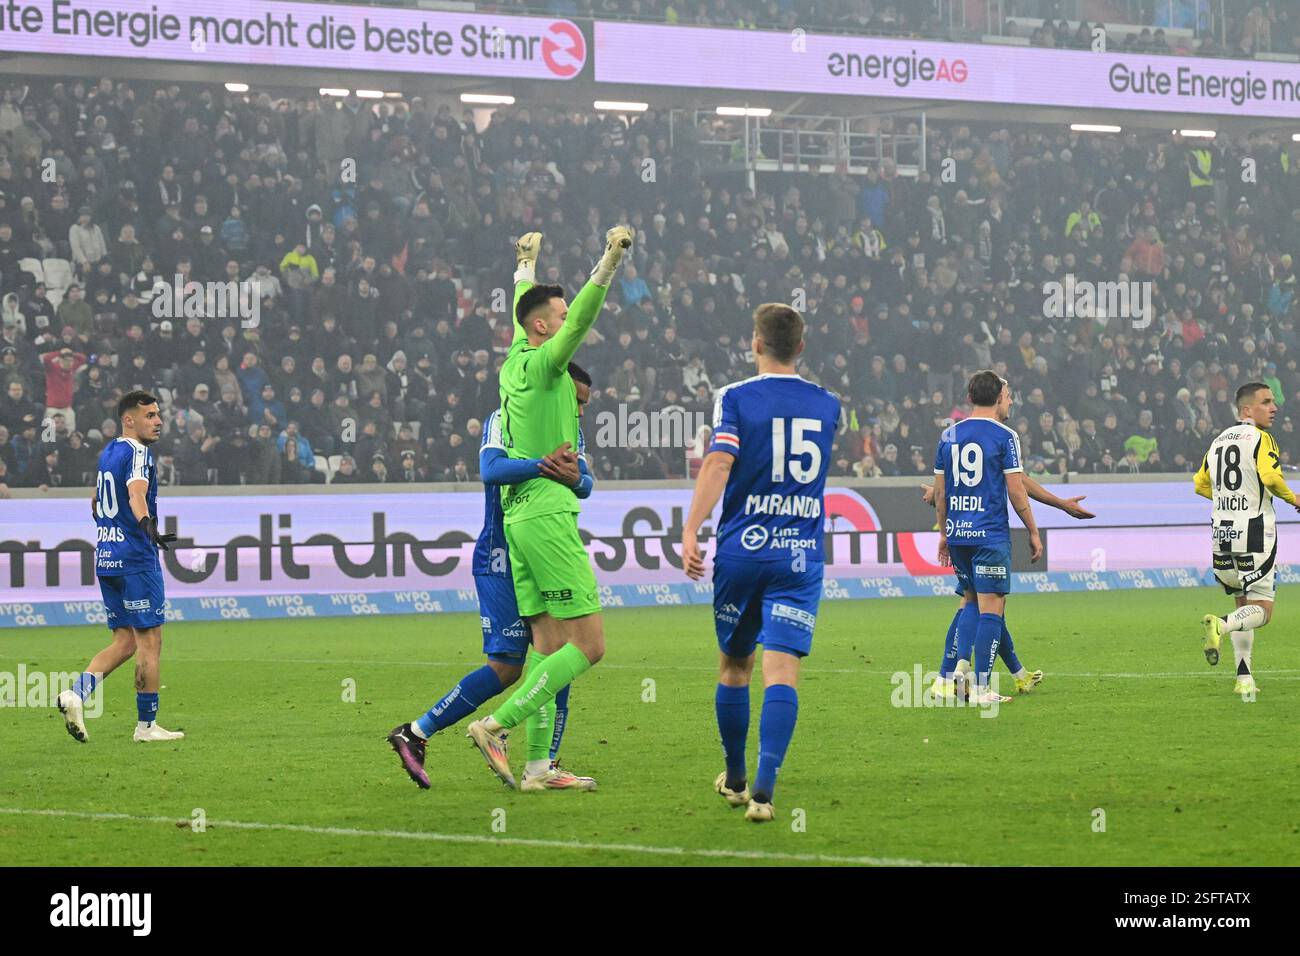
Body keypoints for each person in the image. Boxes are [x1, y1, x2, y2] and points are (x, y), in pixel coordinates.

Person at [463, 226, 631, 790]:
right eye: (554, 318)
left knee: (549, 646)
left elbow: (521, 311)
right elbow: (581, 317)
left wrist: (523, 269)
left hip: (519, 522)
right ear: (543, 328)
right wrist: (607, 262)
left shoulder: (513, 358)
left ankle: (537, 769)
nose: (566, 324)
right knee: (591, 646)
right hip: (548, 519)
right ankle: (494, 725)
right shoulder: (546, 364)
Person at [388, 355, 598, 791]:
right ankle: (420, 731)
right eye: (576, 399)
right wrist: (544, 465)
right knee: (507, 666)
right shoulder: (502, 419)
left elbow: (587, 482)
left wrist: (572, 475)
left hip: (540, 547)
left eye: (585, 405)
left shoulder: (569, 429)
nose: (580, 411)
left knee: (554, 652)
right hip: (502, 555)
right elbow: (491, 470)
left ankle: (541, 766)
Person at [680, 303, 841, 823]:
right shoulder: (828, 404)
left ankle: (735, 777)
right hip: (798, 554)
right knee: (782, 671)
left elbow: (721, 461)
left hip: (742, 551)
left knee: (734, 666)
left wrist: (690, 528)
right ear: (802, 347)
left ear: (755, 344)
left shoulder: (734, 399)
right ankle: (765, 793)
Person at [57, 390, 183, 743]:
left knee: (125, 641)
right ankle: (146, 727)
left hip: (107, 557)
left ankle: (74, 695)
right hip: (135, 559)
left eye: (158, 414)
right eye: (150, 415)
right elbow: (137, 494)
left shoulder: (109, 452)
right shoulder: (140, 452)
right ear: (129, 419)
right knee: (150, 642)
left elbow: (96, 503)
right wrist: (147, 526)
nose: (158, 421)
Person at [921, 476, 1095, 695]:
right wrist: (1038, 525)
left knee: (983, 606)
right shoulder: (1000, 441)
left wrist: (938, 499)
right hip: (987, 535)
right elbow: (1017, 482)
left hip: (960, 533)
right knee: (983, 606)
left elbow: (949, 483)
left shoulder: (951, 442)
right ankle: (953, 678)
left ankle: (1017, 674)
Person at [932, 371, 1043, 705]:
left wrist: (942, 533)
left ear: (969, 397)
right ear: (997, 398)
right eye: (1008, 396)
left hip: (958, 533)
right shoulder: (1004, 436)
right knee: (992, 608)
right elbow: (1016, 489)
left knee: (970, 600)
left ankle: (954, 675)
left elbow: (940, 492)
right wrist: (1033, 530)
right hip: (990, 534)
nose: (1010, 402)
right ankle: (980, 688)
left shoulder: (948, 436)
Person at [1194, 382, 1298, 697]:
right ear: (1246, 411)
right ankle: (1220, 625)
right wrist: (1293, 498)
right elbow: (1270, 477)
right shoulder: (1261, 438)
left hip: (1222, 533)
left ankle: (1244, 677)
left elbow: (1200, 485)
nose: (1274, 407)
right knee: (1262, 610)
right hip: (1254, 531)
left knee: (1243, 603)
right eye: (1266, 402)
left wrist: (1231, 497)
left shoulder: (1218, 441)